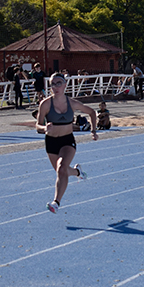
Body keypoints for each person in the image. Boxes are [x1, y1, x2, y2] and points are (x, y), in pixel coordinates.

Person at [35, 72, 98, 213]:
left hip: (67, 141)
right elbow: (37, 126)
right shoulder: (45, 104)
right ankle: (77, 172)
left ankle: (56, 202)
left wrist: (93, 131)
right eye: (52, 84)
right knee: (62, 171)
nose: (55, 87)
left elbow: (92, 112)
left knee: (62, 168)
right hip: (51, 142)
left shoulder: (72, 103)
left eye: (58, 83)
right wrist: (44, 128)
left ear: (65, 85)